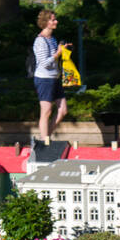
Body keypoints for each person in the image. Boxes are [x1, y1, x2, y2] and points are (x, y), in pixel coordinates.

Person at [33, 8, 69, 144]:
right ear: (46, 23)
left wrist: (64, 51)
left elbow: (55, 60)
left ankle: (45, 137)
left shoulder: (52, 39)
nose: (56, 21)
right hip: (44, 79)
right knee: (46, 111)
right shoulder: (40, 41)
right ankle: (45, 141)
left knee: (63, 110)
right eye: (53, 20)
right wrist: (58, 53)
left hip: (55, 78)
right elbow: (44, 63)